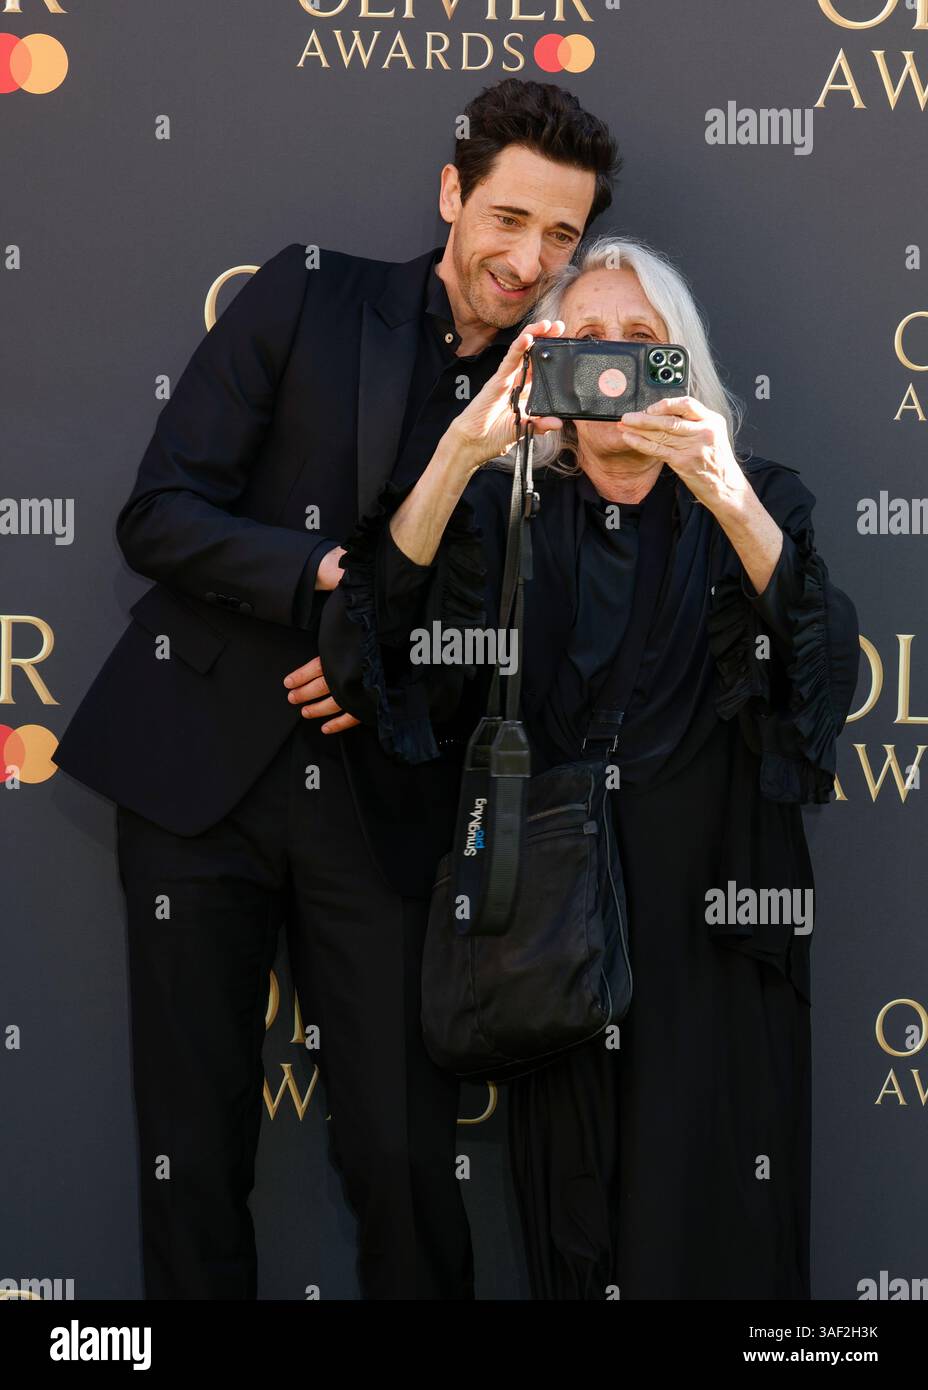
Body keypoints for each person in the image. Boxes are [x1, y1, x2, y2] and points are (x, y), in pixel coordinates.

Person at [50, 79, 623, 1299]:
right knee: (192, 1151)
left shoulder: (565, 401)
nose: (528, 259)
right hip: (201, 777)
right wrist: (326, 580)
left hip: (385, 805)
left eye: (561, 236)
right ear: (451, 195)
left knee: (408, 1156)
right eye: (508, 218)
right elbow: (158, 516)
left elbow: (538, 641)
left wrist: (391, 667)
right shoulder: (312, 292)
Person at [319, 233, 862, 1299]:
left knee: (720, 1233)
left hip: (714, 936)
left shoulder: (759, 502)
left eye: (641, 342)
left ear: (683, 364)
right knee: (584, 1238)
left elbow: (822, 680)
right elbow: (373, 649)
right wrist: (460, 451)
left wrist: (724, 491)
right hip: (556, 944)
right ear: (545, 366)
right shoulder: (508, 510)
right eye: (589, 342)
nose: (614, 364)